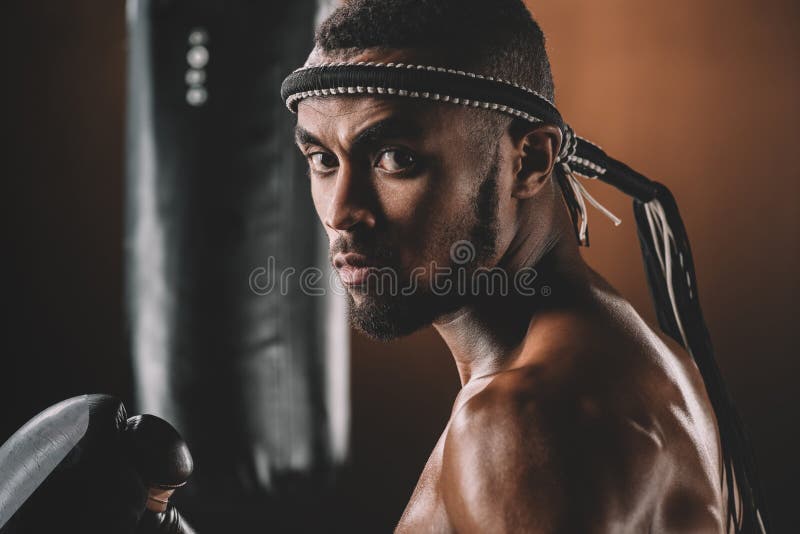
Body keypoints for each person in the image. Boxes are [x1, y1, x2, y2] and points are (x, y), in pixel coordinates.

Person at [281, 0, 768, 532]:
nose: (342, 211)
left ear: (530, 161)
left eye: (395, 157)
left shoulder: (521, 423)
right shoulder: (620, 359)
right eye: (323, 160)